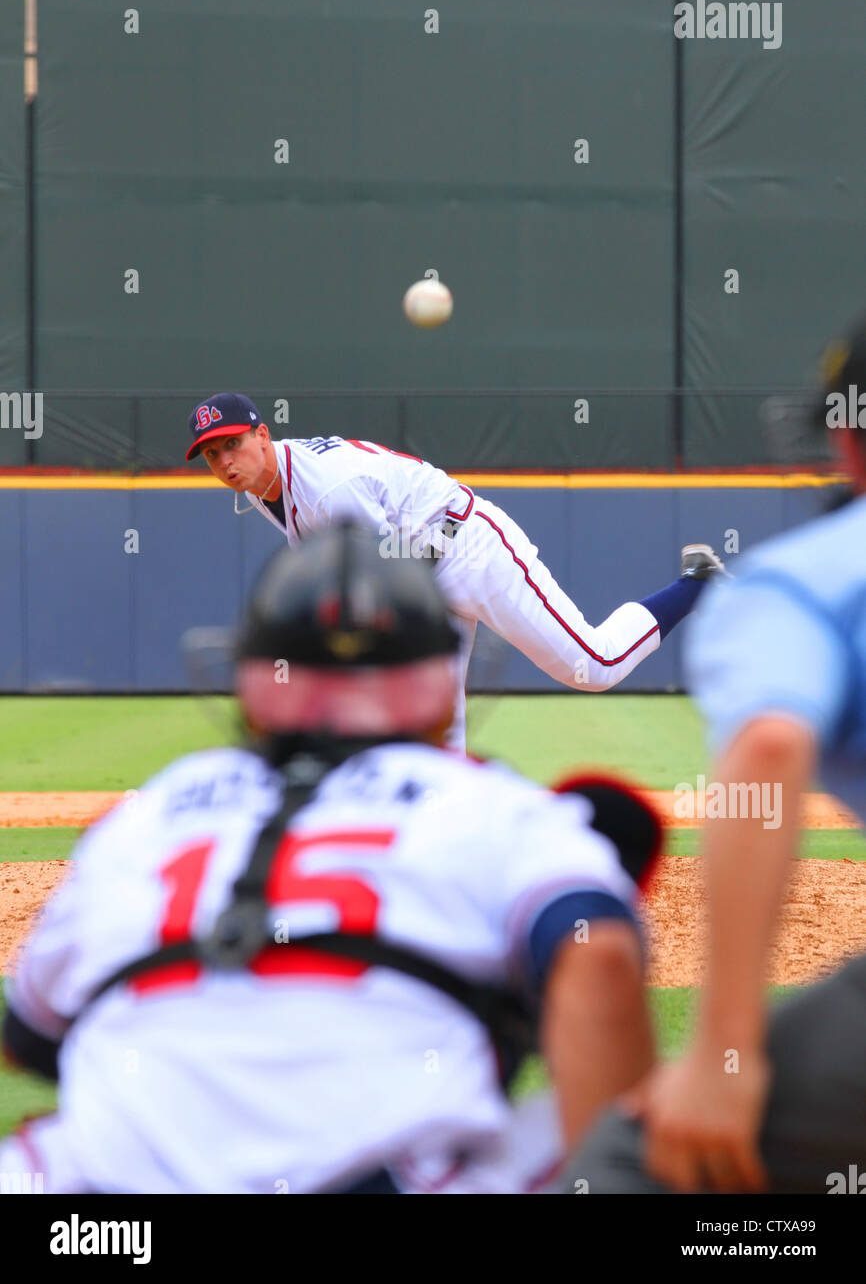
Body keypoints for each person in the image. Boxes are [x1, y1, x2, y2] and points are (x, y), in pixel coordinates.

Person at [1, 523, 663, 1194]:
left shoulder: (151, 811)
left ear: (254, 683)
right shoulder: (489, 802)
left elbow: (27, 1037)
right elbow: (600, 953)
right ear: (437, 686)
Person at [568, 316, 866, 1194]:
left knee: (628, 1167)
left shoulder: (805, 578)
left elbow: (770, 744)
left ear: (845, 434)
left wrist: (722, 1054)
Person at [185, 392, 726, 748]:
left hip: (467, 549)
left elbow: (384, 573)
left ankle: (698, 585)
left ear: (262, 435)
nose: (226, 462)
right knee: (436, 731)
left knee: (593, 665)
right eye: (212, 455)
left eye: (232, 444)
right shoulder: (263, 487)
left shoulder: (328, 488)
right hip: (421, 563)